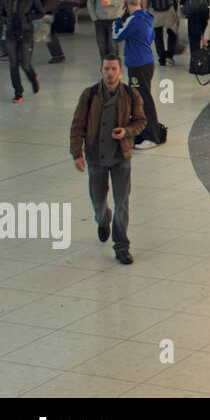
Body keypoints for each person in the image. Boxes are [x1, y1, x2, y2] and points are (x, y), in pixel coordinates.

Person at [70, 54, 146, 265]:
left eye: (114, 69)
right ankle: (103, 220)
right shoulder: (90, 95)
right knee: (99, 200)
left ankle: (122, 246)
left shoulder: (131, 95)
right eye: (106, 69)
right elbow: (77, 125)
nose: (110, 73)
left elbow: (141, 121)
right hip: (96, 158)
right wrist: (77, 153)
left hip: (121, 157)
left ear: (120, 71)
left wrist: (127, 131)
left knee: (122, 202)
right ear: (100, 71)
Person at [112, 0, 164, 149]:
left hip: (137, 63)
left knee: (143, 100)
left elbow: (117, 36)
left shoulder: (133, 20)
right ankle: (144, 133)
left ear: (126, 4)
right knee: (140, 99)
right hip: (146, 61)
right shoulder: (147, 17)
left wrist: (118, 18)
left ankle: (152, 136)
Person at [0, 0, 42, 104]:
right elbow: (2, 13)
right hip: (11, 33)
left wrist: (28, 18)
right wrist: (6, 20)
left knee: (25, 64)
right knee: (13, 64)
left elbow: (40, 12)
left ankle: (33, 78)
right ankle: (18, 92)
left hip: (26, 33)